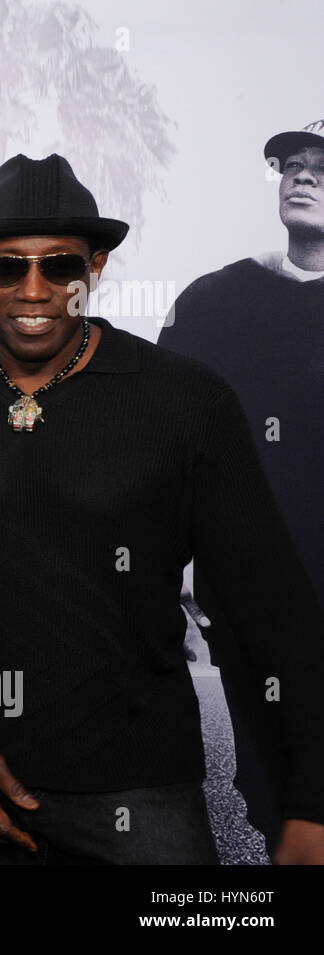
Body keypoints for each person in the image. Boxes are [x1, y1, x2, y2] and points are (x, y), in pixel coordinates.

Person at [0, 152, 324, 864]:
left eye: (61, 266)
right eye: (8, 267)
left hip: (142, 802)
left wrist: (309, 799)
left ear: (96, 269)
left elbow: (268, 602)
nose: (36, 289)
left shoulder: (185, 400)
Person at [157, 121, 324, 854]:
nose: (303, 175)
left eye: (323, 165)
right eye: (293, 163)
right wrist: (182, 558)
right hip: (255, 599)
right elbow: (166, 442)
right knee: (274, 800)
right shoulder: (215, 304)